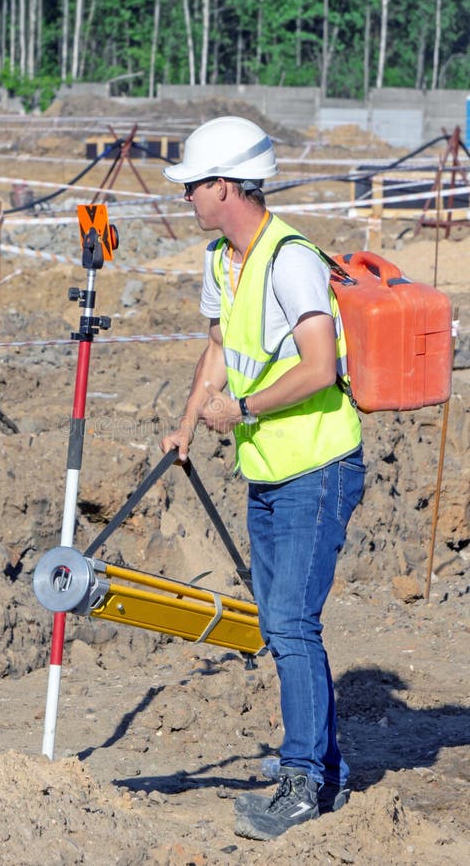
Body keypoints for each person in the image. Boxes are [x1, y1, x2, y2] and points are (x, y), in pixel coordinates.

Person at [160, 116, 365, 842]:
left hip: (318, 465)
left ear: (224, 185)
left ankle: (302, 781)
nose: (185, 196)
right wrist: (189, 421)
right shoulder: (223, 260)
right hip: (268, 469)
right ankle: (326, 775)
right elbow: (219, 347)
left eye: (192, 185)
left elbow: (321, 367)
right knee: (285, 629)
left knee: (288, 623)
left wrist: (239, 408)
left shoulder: (290, 259)